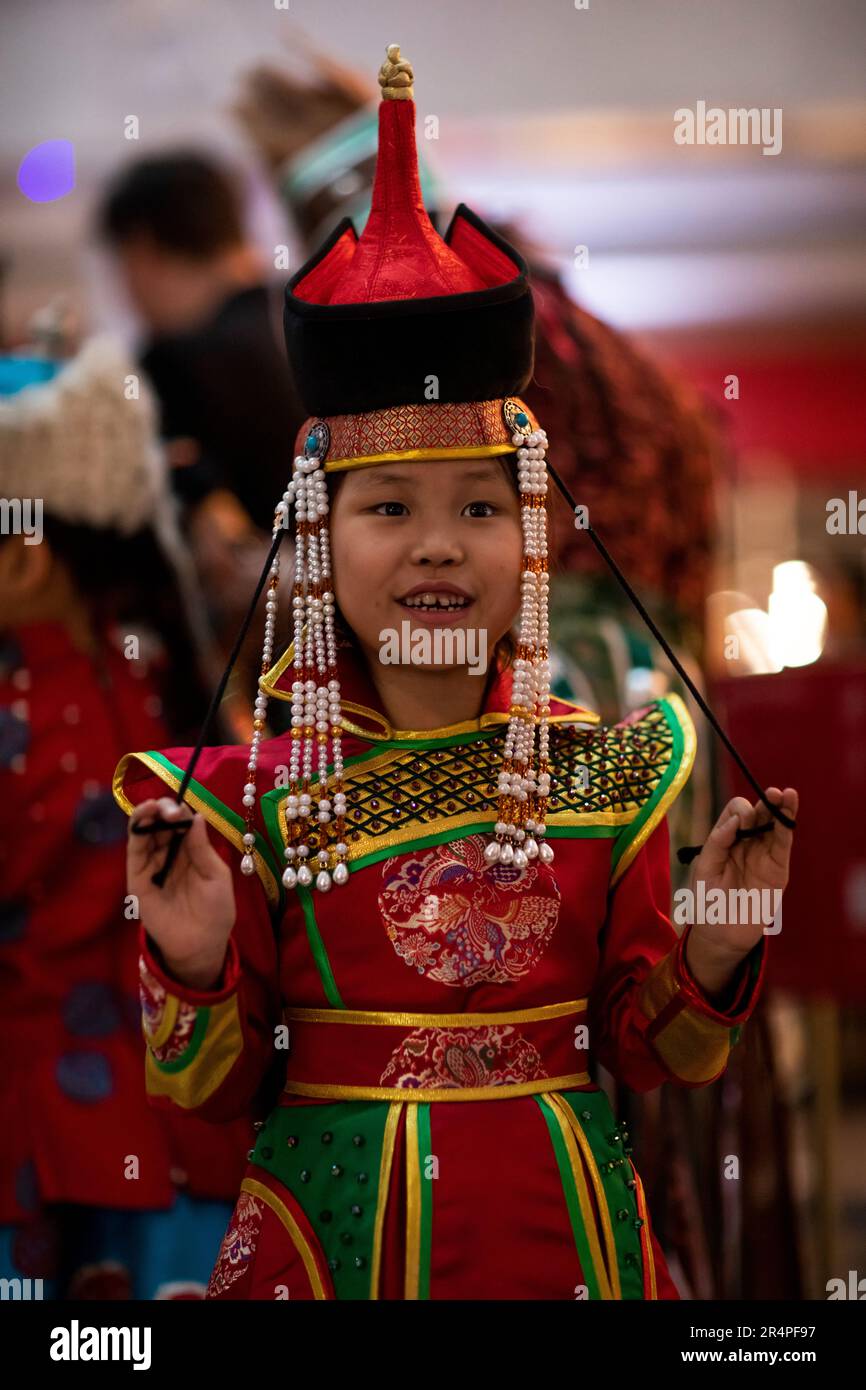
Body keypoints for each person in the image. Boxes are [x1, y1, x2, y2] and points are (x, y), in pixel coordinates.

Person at [116, 45, 797, 1300]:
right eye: (389, 509)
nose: (437, 542)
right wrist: (195, 957)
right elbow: (204, 1089)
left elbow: (655, 1052)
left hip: (569, 1231)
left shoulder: (604, 767)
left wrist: (715, 940)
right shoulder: (240, 800)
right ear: (318, 539)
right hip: (331, 1239)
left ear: (530, 535)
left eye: (480, 508)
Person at [0, 336, 248, 1297]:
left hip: (76, 1123)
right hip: (152, 1117)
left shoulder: (136, 681)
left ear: (27, 555)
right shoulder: (167, 675)